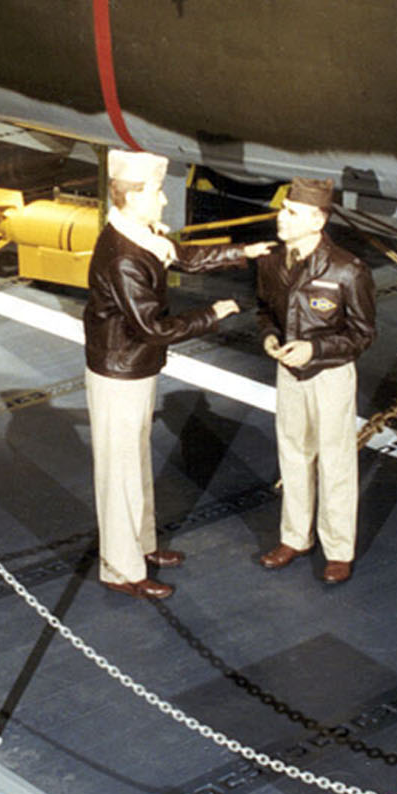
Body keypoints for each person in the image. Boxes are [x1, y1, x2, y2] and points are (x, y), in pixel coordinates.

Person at [83, 148, 272, 599]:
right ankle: (121, 570)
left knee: (135, 465)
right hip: (120, 373)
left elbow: (180, 256)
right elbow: (154, 328)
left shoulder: (135, 233)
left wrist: (240, 252)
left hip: (132, 367)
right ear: (131, 197)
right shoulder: (126, 257)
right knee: (121, 471)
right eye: (156, 193)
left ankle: (142, 546)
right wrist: (212, 313)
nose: (165, 202)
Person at [255, 178, 377, 585]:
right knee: (292, 454)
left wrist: (315, 351)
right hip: (289, 373)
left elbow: (363, 334)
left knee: (336, 461)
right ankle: (295, 537)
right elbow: (264, 312)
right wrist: (269, 337)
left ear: (317, 220)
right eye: (283, 209)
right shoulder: (272, 263)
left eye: (291, 212)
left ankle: (338, 549)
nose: (281, 217)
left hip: (330, 375)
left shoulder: (348, 269)